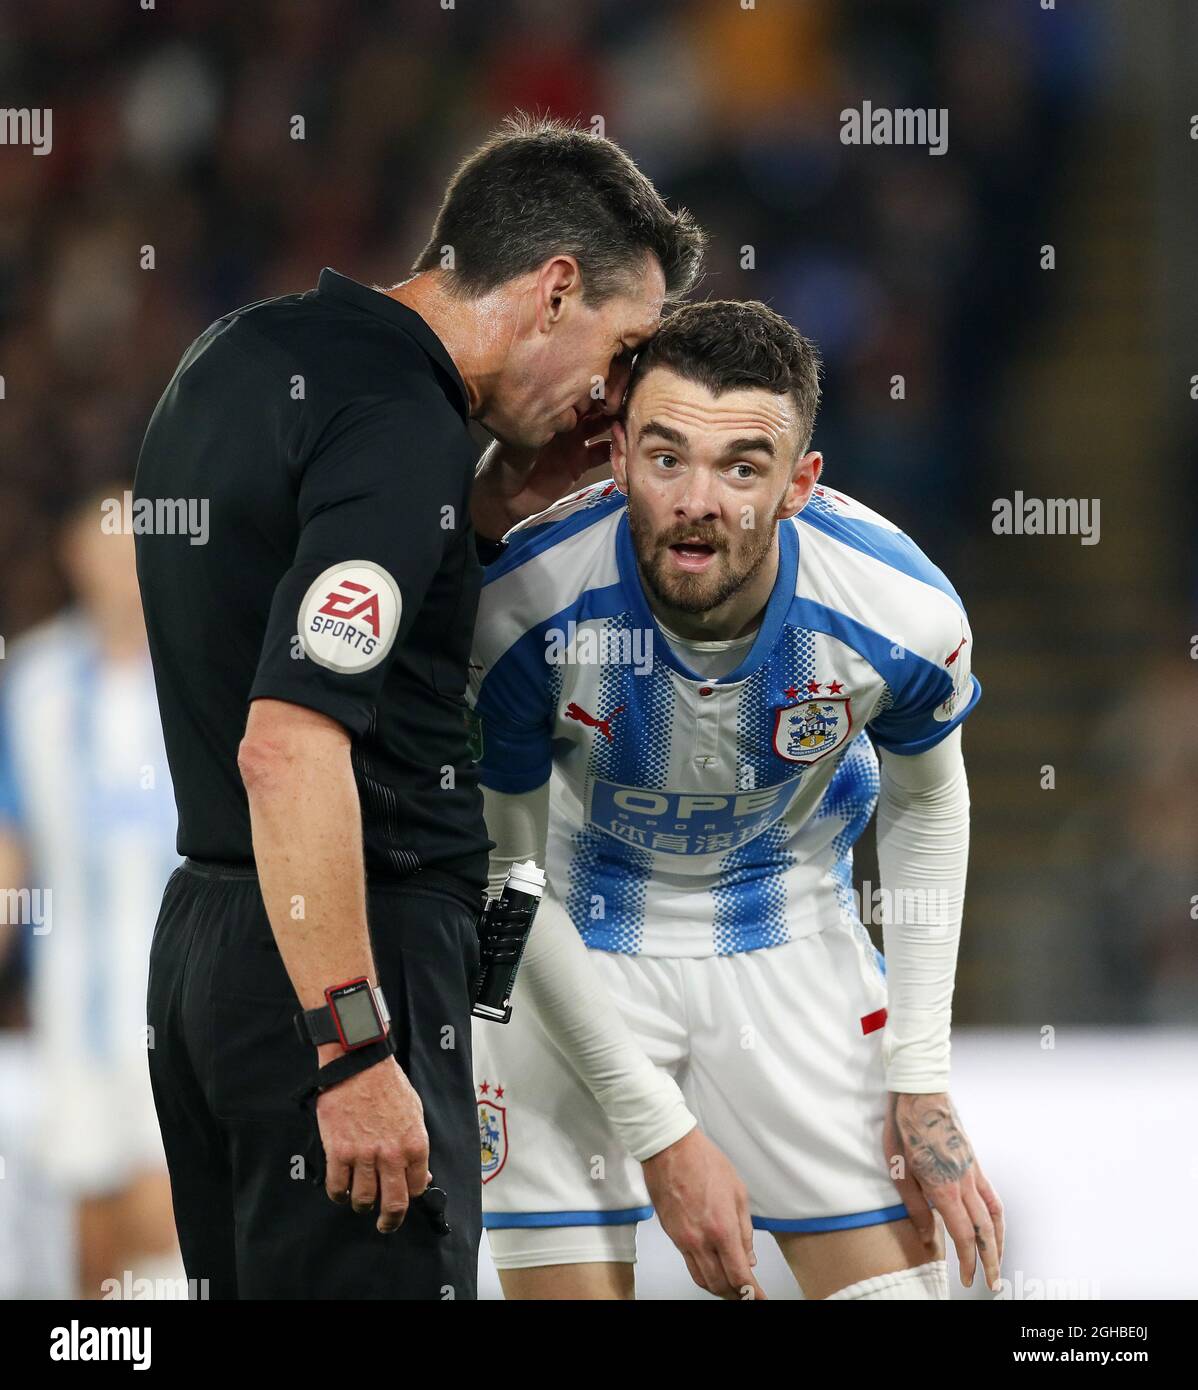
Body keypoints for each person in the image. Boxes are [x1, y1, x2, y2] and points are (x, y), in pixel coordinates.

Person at [133, 114, 705, 1299]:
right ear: (554, 290)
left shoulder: (242, 354)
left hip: (209, 946)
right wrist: (350, 1048)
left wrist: (484, 510)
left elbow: (278, 597)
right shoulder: (401, 425)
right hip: (344, 951)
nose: (617, 397)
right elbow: (288, 745)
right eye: (623, 346)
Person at [468, 299, 1004, 1300]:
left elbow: (928, 806)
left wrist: (919, 1075)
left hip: (790, 941)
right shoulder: (518, 607)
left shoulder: (899, 611)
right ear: (618, 454)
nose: (696, 499)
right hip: (566, 956)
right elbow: (507, 875)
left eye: (742, 467)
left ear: (799, 483)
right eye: (666, 457)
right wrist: (663, 1137)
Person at [0, 480, 182, 1296]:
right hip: (74, 1000)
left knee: (165, 1210)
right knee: (92, 1232)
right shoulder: (32, 680)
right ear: (74, 553)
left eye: (135, 540)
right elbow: (11, 843)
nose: (120, 563)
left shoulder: (203, 672)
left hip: (182, 996)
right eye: (103, 542)